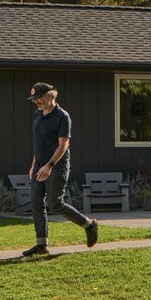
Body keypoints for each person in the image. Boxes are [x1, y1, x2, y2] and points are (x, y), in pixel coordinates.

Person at [22, 82, 100, 257]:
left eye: (39, 98)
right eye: (34, 99)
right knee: (36, 202)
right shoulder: (37, 115)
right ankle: (41, 245)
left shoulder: (62, 116)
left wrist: (49, 165)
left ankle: (89, 225)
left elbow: (64, 145)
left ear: (51, 96)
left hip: (56, 166)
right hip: (39, 166)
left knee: (55, 204)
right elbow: (39, 142)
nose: (37, 102)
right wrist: (34, 163)